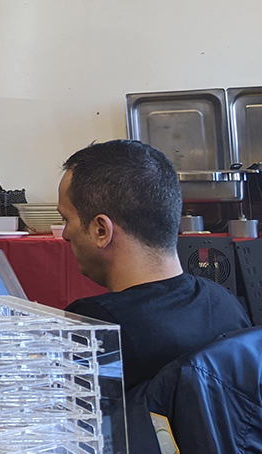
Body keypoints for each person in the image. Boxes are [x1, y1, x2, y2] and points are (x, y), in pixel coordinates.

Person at [59, 140, 251, 391]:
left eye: (66, 219)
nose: (64, 234)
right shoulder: (225, 304)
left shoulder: (98, 326)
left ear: (101, 230)